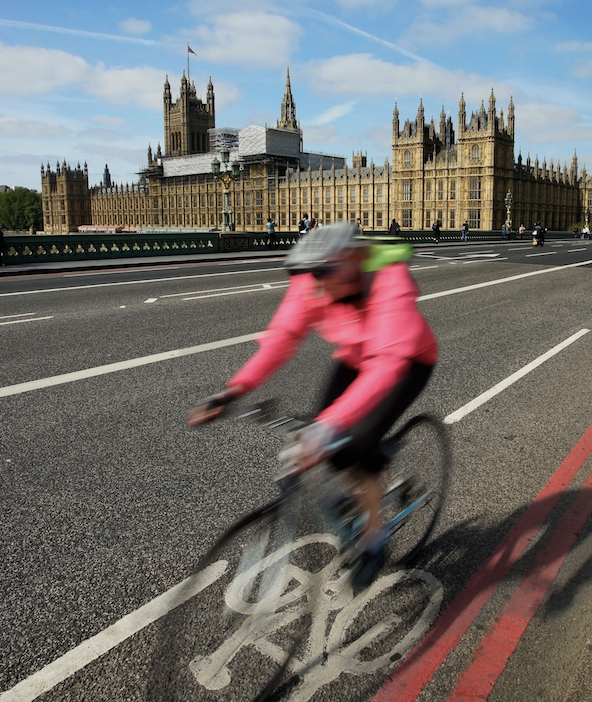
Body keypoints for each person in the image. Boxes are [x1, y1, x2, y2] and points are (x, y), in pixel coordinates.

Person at [187, 223, 438, 590]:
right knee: (331, 442)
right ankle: (359, 475)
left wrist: (330, 426)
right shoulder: (314, 278)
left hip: (404, 361)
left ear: (353, 260)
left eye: (325, 273)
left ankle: (373, 542)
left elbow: (385, 365)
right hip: (356, 358)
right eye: (313, 276)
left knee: (355, 443)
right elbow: (282, 338)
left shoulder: (388, 280)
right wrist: (230, 392)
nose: (317, 286)